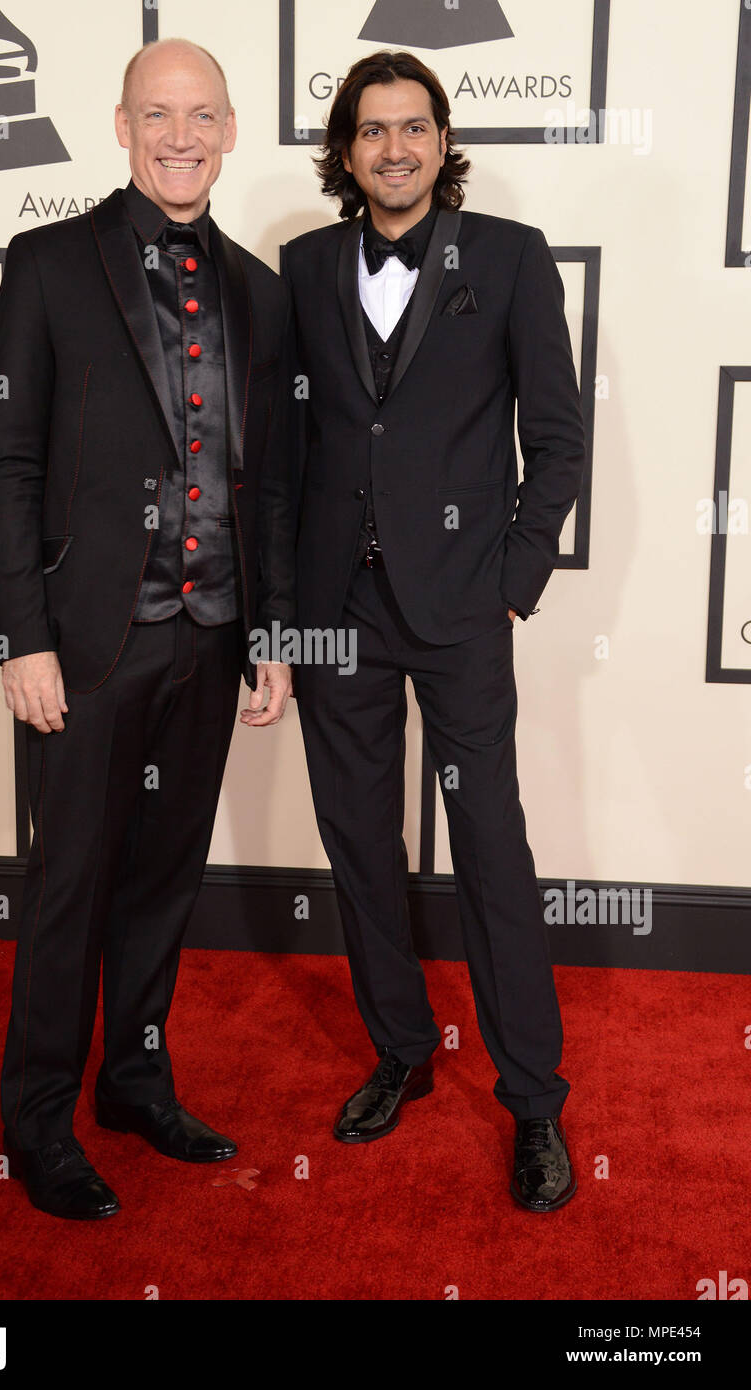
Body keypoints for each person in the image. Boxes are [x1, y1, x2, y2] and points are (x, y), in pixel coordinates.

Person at [0, 38, 295, 1220]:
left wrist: (267, 633)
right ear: (120, 127)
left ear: (227, 132)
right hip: (88, 643)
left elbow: (265, 485)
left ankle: (135, 1080)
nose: (180, 136)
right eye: (157, 114)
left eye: (201, 115)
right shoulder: (49, 263)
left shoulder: (261, 293)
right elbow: (10, 464)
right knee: (70, 886)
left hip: (210, 639)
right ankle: (39, 1121)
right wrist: (22, 637)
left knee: (163, 884)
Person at [284, 49, 585, 1211]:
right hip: (335, 612)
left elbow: (554, 441)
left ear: (440, 142)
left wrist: (509, 578)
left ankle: (532, 1100)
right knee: (358, 845)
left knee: (490, 852)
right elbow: (292, 451)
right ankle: (401, 1053)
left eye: (414, 129)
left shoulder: (505, 258)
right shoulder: (303, 267)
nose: (394, 149)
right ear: (346, 150)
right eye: (372, 131)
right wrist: (281, 618)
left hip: (460, 608)